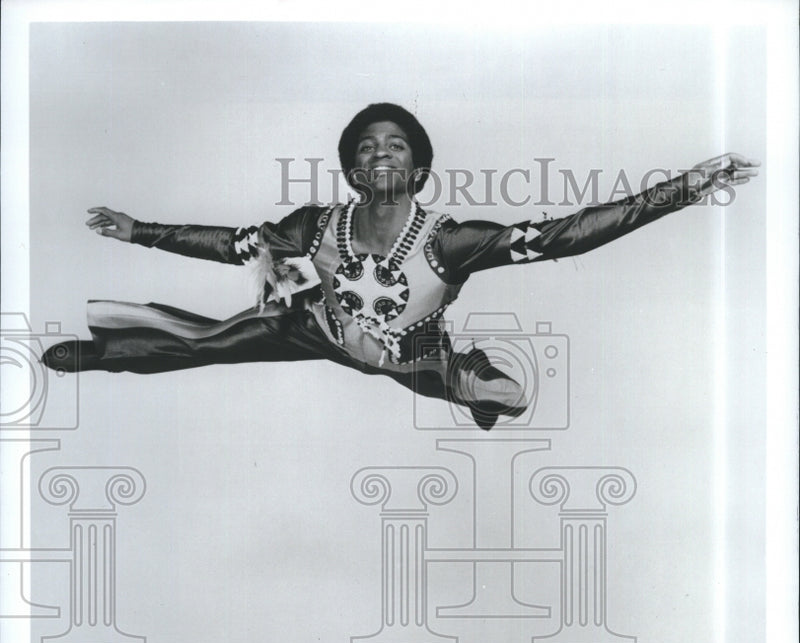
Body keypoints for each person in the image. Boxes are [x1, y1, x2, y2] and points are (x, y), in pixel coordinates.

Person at [42, 102, 759, 430]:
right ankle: (97, 352)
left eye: (394, 145)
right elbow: (234, 242)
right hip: (314, 327)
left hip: (412, 355)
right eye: (364, 147)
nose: (378, 153)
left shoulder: (451, 241)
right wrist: (141, 231)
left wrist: (685, 189)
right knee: (202, 343)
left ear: (418, 167)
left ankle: (478, 391)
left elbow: (569, 234)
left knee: (510, 397)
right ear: (352, 170)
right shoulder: (314, 225)